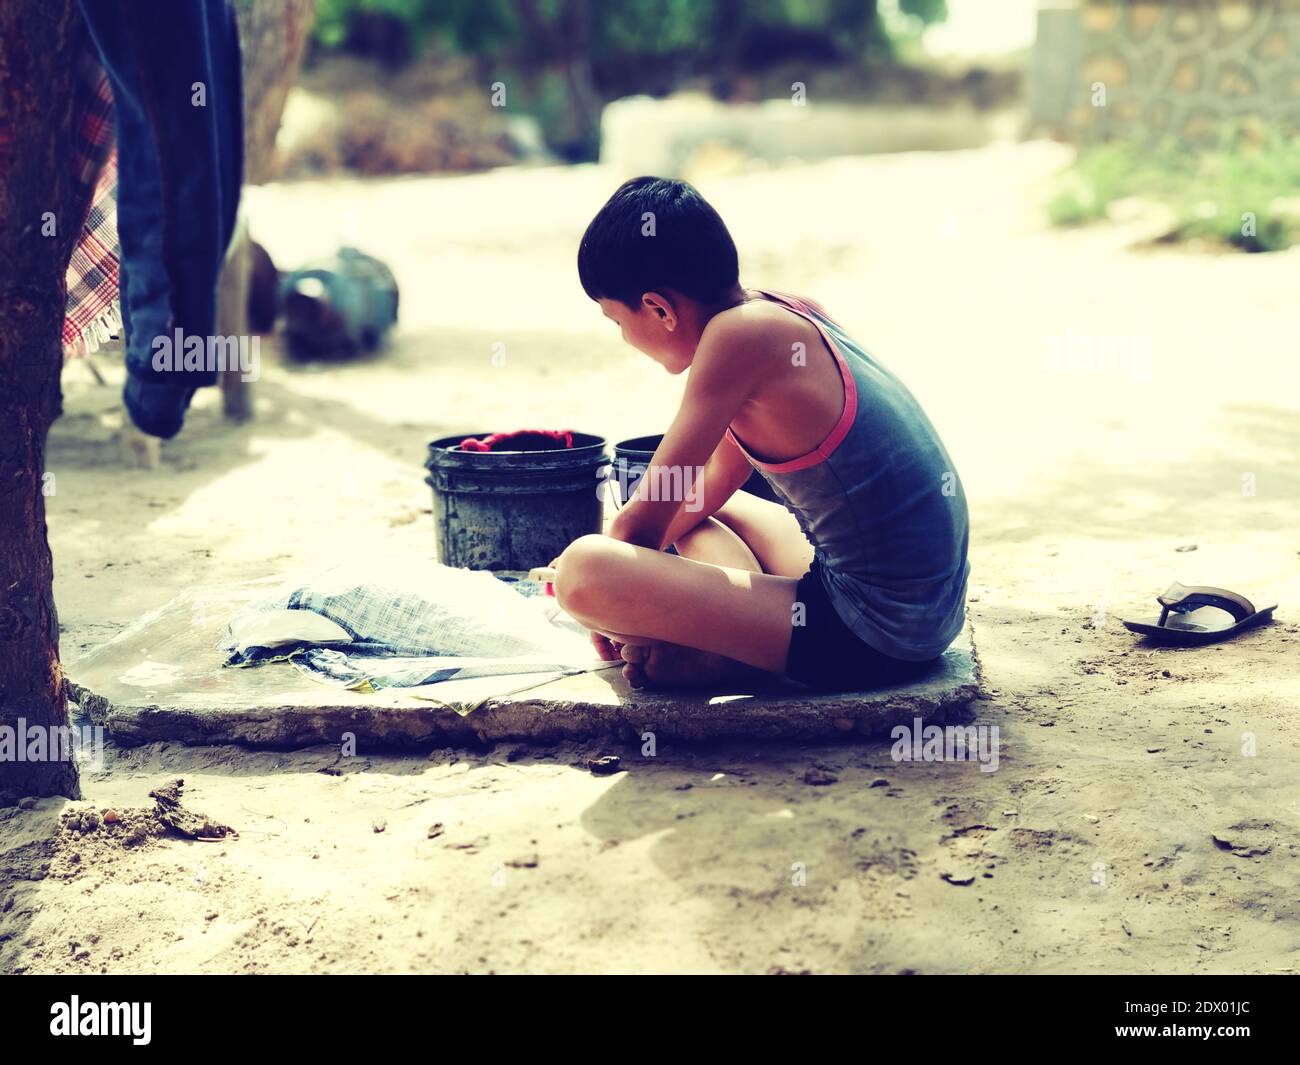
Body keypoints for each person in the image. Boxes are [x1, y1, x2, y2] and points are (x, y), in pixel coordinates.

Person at [554, 177, 969, 691]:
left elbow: (641, 522)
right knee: (698, 515)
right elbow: (706, 488)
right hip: (927, 616)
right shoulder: (778, 311)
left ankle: (735, 658)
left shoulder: (736, 338)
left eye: (616, 320)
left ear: (659, 309)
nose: (621, 337)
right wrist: (639, 591)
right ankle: (738, 640)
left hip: (871, 634)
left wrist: (612, 603)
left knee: (582, 571)